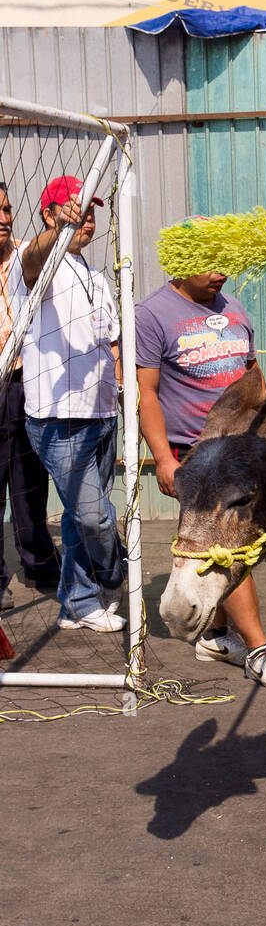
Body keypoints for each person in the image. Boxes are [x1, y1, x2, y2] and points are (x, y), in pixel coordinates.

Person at [136, 264, 266, 690]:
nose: (220, 275)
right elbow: (146, 394)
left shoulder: (233, 306)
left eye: (224, 266)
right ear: (180, 263)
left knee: (233, 541)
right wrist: (162, 458)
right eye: (208, 267)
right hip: (195, 453)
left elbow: (252, 373)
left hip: (243, 447)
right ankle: (260, 650)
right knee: (224, 545)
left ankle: (213, 636)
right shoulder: (152, 314)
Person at [19, 176, 126, 631]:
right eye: (74, 210)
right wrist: (54, 234)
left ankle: (78, 603)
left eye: (91, 211)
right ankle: (119, 574)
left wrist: (123, 393)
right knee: (95, 518)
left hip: (101, 413)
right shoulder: (42, 266)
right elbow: (28, 263)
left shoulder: (96, 277)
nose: (86, 219)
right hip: (57, 417)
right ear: (50, 214)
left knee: (78, 521)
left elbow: (113, 342)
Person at [0, 182, 62, 608]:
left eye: (6, 208)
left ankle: (40, 562)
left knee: (30, 483)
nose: (4, 218)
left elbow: (36, 254)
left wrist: (58, 227)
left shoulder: (23, 253)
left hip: (26, 382)